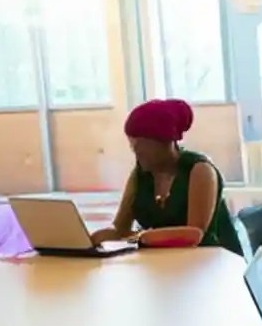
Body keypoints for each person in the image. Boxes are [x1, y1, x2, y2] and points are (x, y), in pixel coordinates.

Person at [90, 98, 243, 256]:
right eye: (132, 143)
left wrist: (140, 237)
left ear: (166, 141)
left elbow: (194, 234)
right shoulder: (140, 174)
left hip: (213, 263)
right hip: (166, 264)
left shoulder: (200, 170)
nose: (136, 150)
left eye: (142, 143)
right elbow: (120, 229)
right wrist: (91, 239)